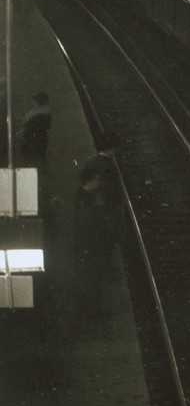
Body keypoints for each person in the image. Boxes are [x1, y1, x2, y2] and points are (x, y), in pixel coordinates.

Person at [73, 131, 123, 316]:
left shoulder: (90, 162)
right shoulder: (108, 167)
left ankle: (91, 306)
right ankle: (92, 309)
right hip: (94, 238)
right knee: (93, 275)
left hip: (87, 241)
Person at [19, 91, 52, 169]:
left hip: (34, 144)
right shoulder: (39, 113)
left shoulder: (40, 115)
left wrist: (23, 132)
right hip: (36, 143)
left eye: (34, 100)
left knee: (33, 164)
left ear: (37, 102)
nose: (32, 102)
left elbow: (33, 129)